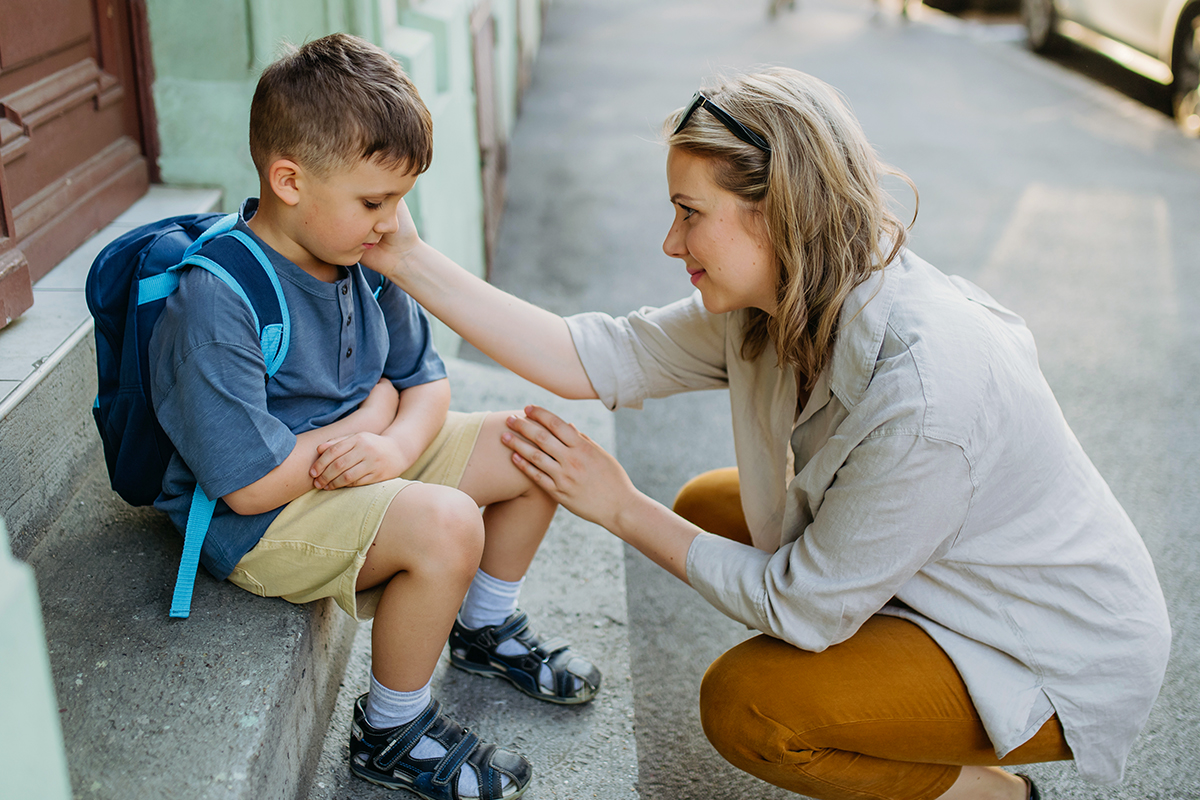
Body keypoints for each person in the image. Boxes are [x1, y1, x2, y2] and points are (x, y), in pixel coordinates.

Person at [369, 68, 1172, 800]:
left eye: (690, 214)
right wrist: (403, 253)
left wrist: (619, 507)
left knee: (750, 707)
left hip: (1046, 642)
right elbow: (595, 355)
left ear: (780, 213)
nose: (670, 243)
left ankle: (999, 797)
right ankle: (886, 699)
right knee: (713, 508)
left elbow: (802, 608)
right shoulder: (781, 294)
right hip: (949, 576)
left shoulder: (928, 396)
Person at [146, 33, 600, 800]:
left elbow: (425, 385)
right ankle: (393, 732)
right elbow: (249, 486)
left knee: (539, 445)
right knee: (450, 521)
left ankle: (484, 628)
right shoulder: (216, 299)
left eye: (400, 199)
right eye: (374, 200)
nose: (393, 222)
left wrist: (392, 441)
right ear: (288, 180)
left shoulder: (363, 252)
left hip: (356, 463)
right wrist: (371, 424)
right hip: (260, 516)